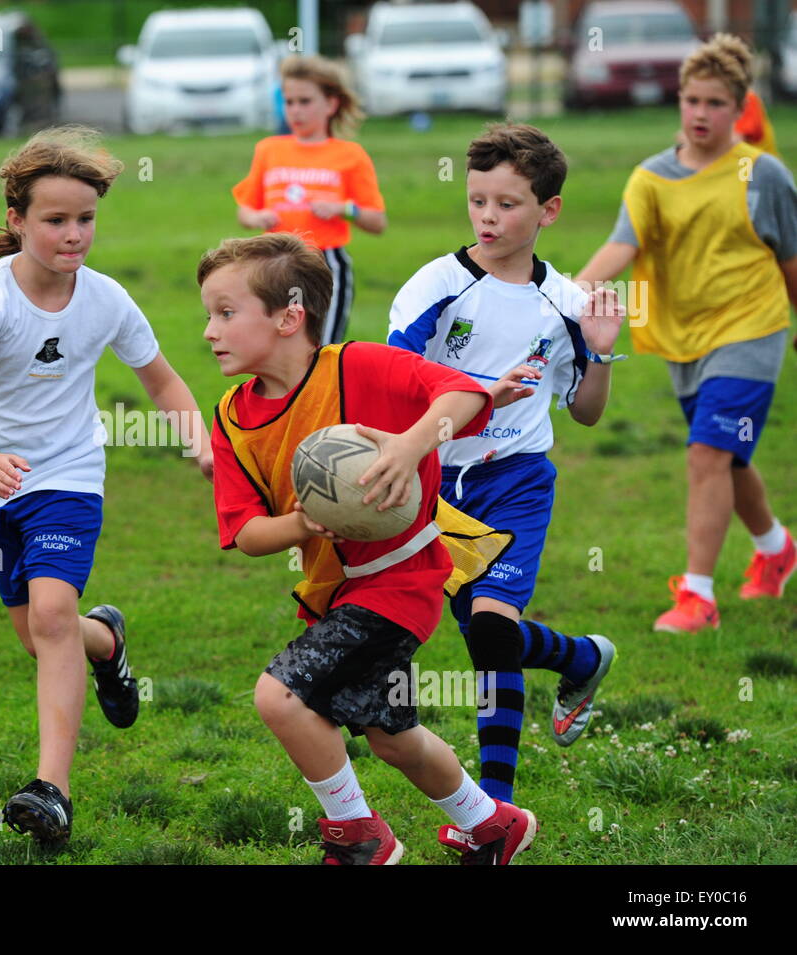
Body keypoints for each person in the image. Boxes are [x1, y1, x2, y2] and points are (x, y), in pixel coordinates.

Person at [204, 231, 537, 865]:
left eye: (226, 313)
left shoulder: (358, 367)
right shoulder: (230, 418)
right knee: (393, 737)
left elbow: (463, 395)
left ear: (289, 317)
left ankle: (357, 834)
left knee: (279, 696)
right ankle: (492, 824)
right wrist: (304, 524)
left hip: (401, 580)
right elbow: (246, 535)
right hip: (335, 594)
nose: (209, 331)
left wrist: (407, 446)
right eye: (209, 315)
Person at [0, 126, 212, 849]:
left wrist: (197, 440)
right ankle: (107, 640)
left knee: (52, 614)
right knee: (39, 635)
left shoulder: (107, 299)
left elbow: (163, 379)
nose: (74, 234)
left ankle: (50, 789)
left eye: (85, 219)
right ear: (18, 219)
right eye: (56, 219)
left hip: (68, 473)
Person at [387, 124, 623, 856]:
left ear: (548, 211)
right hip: (436, 483)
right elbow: (396, 386)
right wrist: (478, 392)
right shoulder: (436, 285)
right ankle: (581, 658)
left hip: (518, 480)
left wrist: (605, 352)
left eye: (507, 204)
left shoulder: (565, 302)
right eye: (477, 200)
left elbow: (585, 412)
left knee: (491, 632)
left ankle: (498, 815)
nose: (488, 216)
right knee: (482, 639)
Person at [578, 35, 797, 633]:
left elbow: (791, 261)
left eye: (716, 103)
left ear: (740, 107)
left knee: (707, 453)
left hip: (752, 329)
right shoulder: (652, 177)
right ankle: (777, 547)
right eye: (691, 100)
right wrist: (565, 295)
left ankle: (697, 597)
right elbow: (622, 245)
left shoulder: (763, 174)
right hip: (681, 337)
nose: (700, 113)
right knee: (724, 457)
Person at [232, 55, 385, 346]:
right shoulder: (269, 150)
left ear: (331, 104)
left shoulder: (349, 155)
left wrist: (343, 209)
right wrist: (256, 218)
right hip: (273, 262)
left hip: (324, 263)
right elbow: (245, 209)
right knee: (273, 349)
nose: (296, 110)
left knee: (318, 350)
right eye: (289, 102)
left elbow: (377, 221)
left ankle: (322, 393)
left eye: (305, 101)